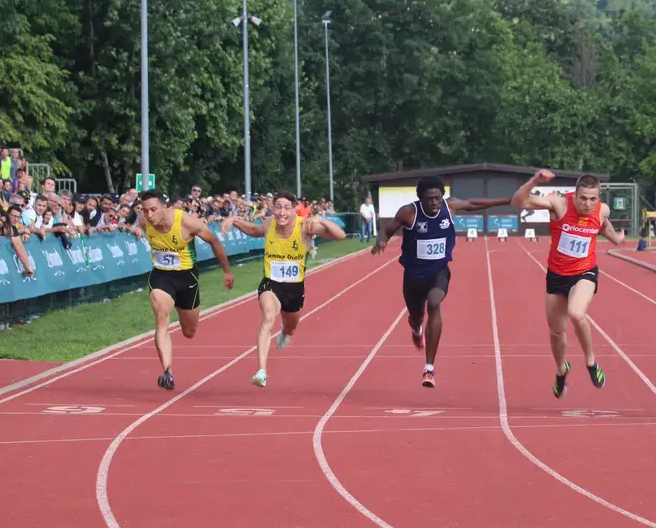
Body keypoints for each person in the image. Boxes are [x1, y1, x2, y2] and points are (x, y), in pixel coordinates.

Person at [372, 175, 511, 387]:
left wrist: (508, 200)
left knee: (435, 303)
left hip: (439, 271)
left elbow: (473, 203)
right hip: (413, 276)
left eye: (438, 198)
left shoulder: (450, 207)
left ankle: (429, 369)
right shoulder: (409, 212)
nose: (434, 203)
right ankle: (417, 329)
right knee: (416, 316)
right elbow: (387, 229)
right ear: (420, 198)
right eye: (430, 199)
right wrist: (381, 241)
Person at [510, 170, 626, 398]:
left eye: (593, 198)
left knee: (576, 312)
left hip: (585, 272)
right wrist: (534, 180)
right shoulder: (559, 204)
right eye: (583, 198)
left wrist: (616, 238)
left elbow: (604, 225)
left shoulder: (602, 210)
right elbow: (517, 201)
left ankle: (591, 362)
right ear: (575, 194)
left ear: (599, 196)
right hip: (556, 275)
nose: (588, 203)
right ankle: (562, 369)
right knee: (556, 331)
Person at [221, 191, 346, 387]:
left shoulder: (305, 226)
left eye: (286, 208)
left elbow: (340, 235)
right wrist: (233, 220)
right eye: (277, 207)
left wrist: (321, 218)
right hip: (271, 283)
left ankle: (286, 333)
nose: (281, 212)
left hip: (295, 289)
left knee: (290, 326)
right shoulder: (269, 223)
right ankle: (261, 371)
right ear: (272, 209)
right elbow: (254, 230)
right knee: (268, 317)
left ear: (294, 210)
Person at [131, 190, 235, 390]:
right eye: (145, 211)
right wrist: (135, 228)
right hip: (161, 276)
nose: (149, 215)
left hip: (187, 277)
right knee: (162, 319)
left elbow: (214, 241)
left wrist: (227, 271)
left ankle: (184, 314)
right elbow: (136, 222)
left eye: (153, 210)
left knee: (189, 331)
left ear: (166, 207)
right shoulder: (144, 221)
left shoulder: (187, 222)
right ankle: (167, 372)